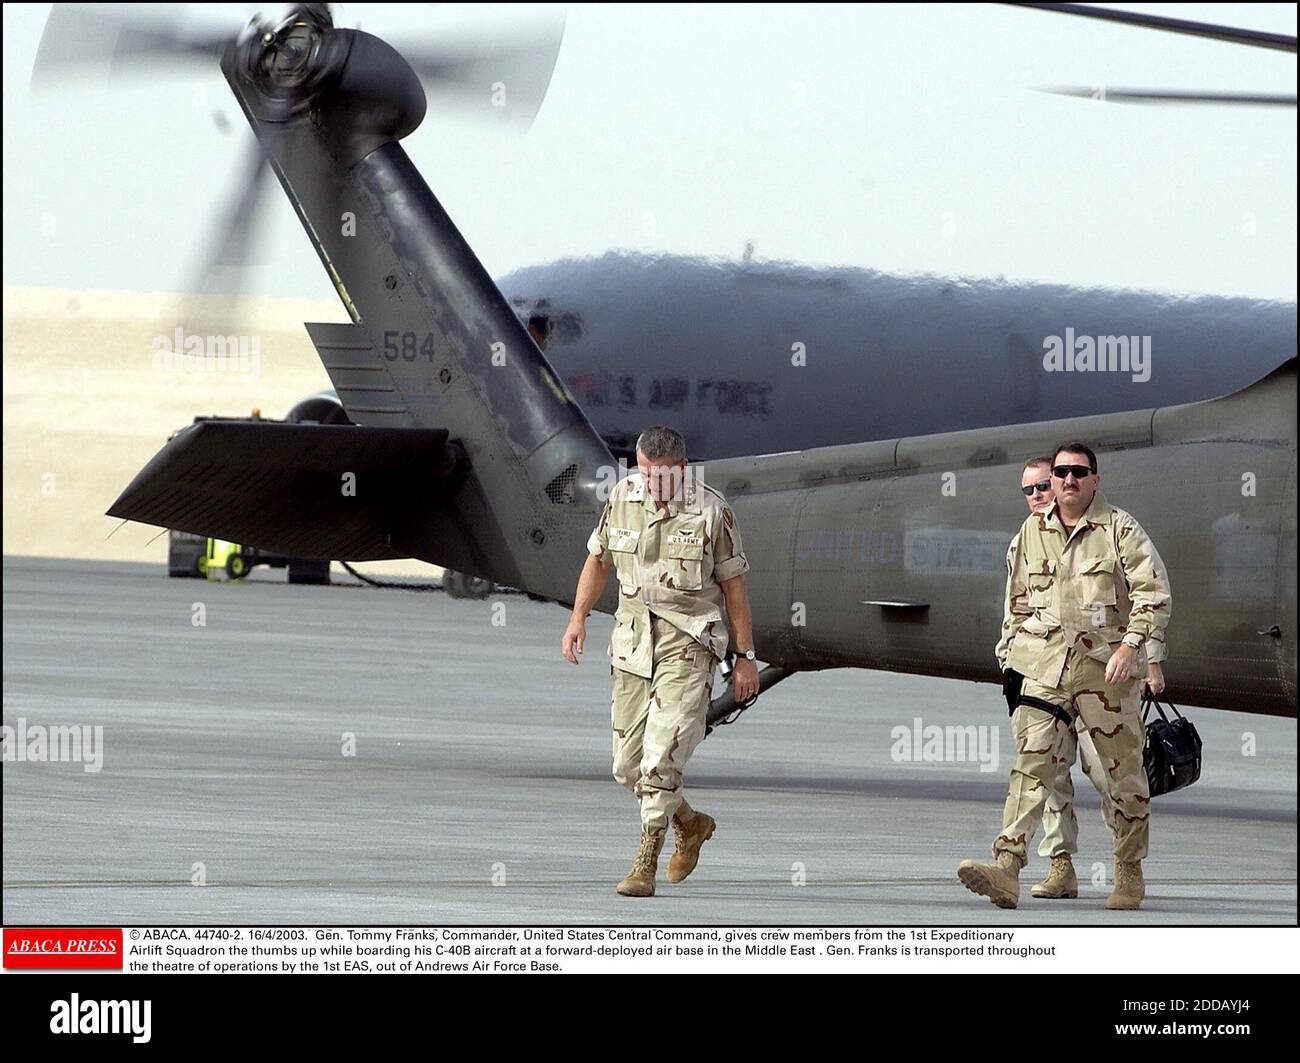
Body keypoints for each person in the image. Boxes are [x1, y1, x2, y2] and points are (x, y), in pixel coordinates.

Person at [961, 442, 1171, 910]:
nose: (1068, 481)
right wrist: (1011, 663)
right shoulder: (1032, 532)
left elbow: (1153, 594)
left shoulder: (1119, 528)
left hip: (1105, 672)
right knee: (1032, 763)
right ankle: (1007, 868)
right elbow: (1015, 604)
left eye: (1079, 472)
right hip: (1044, 669)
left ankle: (1128, 868)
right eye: (1061, 473)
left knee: (1122, 777)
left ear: (1095, 479)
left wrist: (1131, 647)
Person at [562, 426, 757, 897]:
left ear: (683, 469)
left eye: (663, 476)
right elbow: (598, 559)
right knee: (627, 769)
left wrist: (745, 657)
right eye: (645, 473)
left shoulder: (711, 510)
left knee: (659, 760)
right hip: (632, 644)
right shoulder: (623, 496)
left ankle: (645, 861)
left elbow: (734, 587)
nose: (652, 484)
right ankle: (690, 824)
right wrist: (578, 619)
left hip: (688, 646)